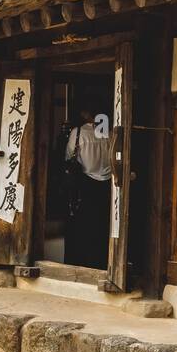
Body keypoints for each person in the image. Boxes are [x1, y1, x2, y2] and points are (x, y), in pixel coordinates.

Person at [64, 108, 111, 268]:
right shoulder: (107, 133)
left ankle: (83, 262)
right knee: (103, 225)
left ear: (85, 114)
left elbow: (69, 156)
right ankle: (101, 261)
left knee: (84, 226)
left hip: (85, 184)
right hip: (107, 183)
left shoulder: (78, 132)